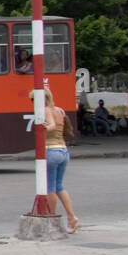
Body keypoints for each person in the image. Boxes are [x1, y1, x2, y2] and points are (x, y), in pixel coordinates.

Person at [42, 87, 80, 233]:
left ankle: (52, 219)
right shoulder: (60, 110)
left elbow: (51, 125)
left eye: (33, 99)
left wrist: (46, 127)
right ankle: (72, 217)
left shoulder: (46, 110)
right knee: (59, 186)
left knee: (50, 187)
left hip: (51, 150)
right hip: (63, 150)